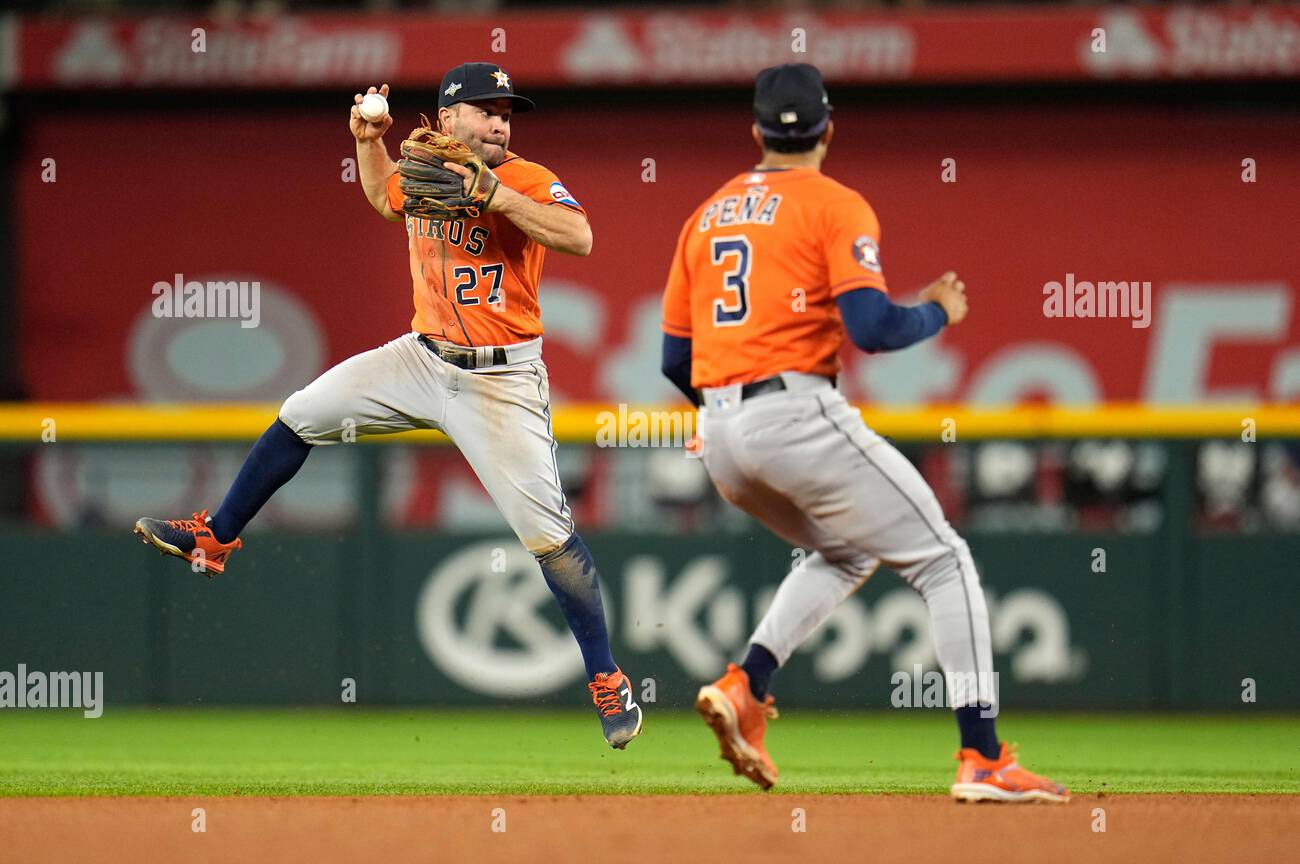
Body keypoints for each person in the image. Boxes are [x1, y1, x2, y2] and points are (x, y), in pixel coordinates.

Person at [133, 63, 642, 751]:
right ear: (449, 116)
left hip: (502, 378)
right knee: (304, 410)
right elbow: (381, 196)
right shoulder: (426, 161)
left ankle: (605, 677)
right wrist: (368, 139)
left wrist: (496, 195)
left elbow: (578, 236)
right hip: (422, 357)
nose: (499, 122)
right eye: (485, 110)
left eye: (506, 112)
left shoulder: (523, 176)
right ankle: (216, 536)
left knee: (550, 539)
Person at [661, 63, 1067, 801]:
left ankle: (747, 683)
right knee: (944, 561)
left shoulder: (707, 213)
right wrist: (939, 310)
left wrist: (726, 410)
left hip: (719, 433)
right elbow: (872, 328)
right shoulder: (834, 203)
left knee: (843, 552)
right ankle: (983, 758)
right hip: (793, 411)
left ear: (755, 131)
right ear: (829, 127)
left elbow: (674, 358)